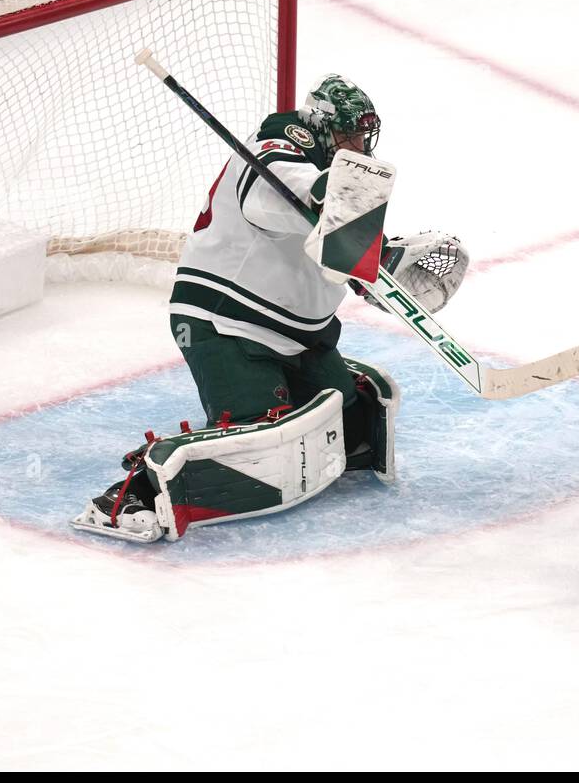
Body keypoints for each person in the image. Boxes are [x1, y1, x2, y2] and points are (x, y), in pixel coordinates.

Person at [72, 74, 465, 542]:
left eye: (364, 135)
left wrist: (377, 268)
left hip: (303, 336)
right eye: (347, 135)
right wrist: (324, 196)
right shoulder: (270, 157)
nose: (359, 146)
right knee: (262, 441)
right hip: (226, 325)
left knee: (351, 428)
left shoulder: (340, 182)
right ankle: (133, 489)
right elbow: (279, 197)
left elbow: (330, 253)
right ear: (318, 128)